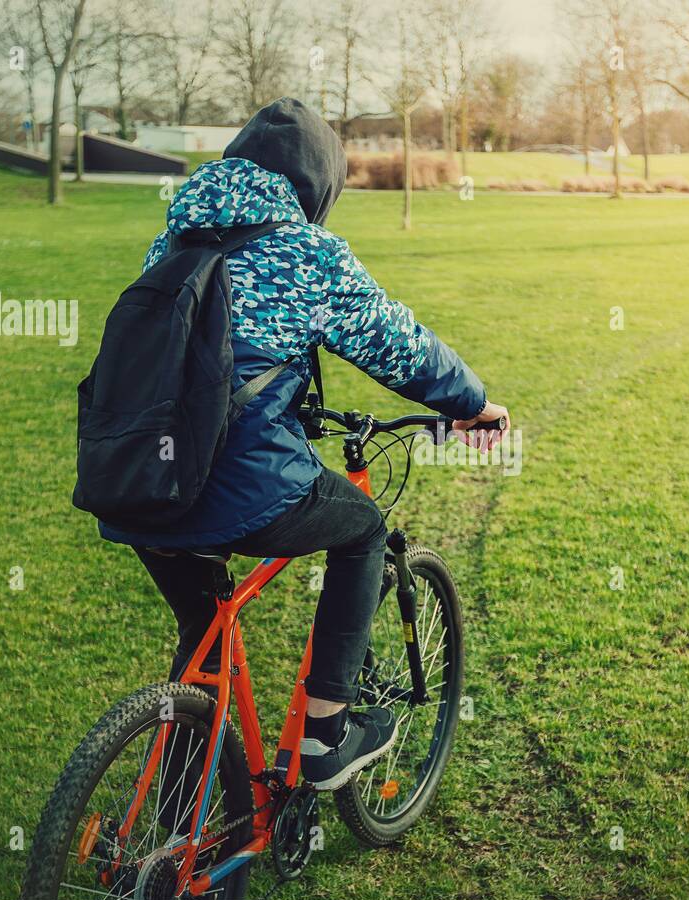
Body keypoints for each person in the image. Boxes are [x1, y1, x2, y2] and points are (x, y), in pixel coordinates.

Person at [99, 98, 507, 791]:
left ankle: (176, 832)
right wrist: (471, 402)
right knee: (362, 530)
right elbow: (399, 346)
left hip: (137, 480)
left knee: (203, 635)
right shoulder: (307, 251)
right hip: (237, 484)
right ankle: (325, 734)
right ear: (319, 185)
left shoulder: (174, 239)